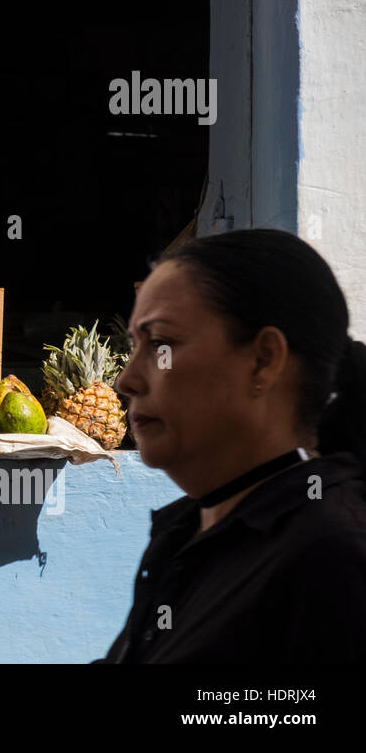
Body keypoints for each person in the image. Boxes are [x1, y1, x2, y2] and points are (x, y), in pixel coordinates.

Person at [100, 228, 366, 663]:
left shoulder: (331, 560)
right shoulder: (185, 532)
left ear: (263, 360)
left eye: (161, 345)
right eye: (134, 346)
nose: (126, 380)